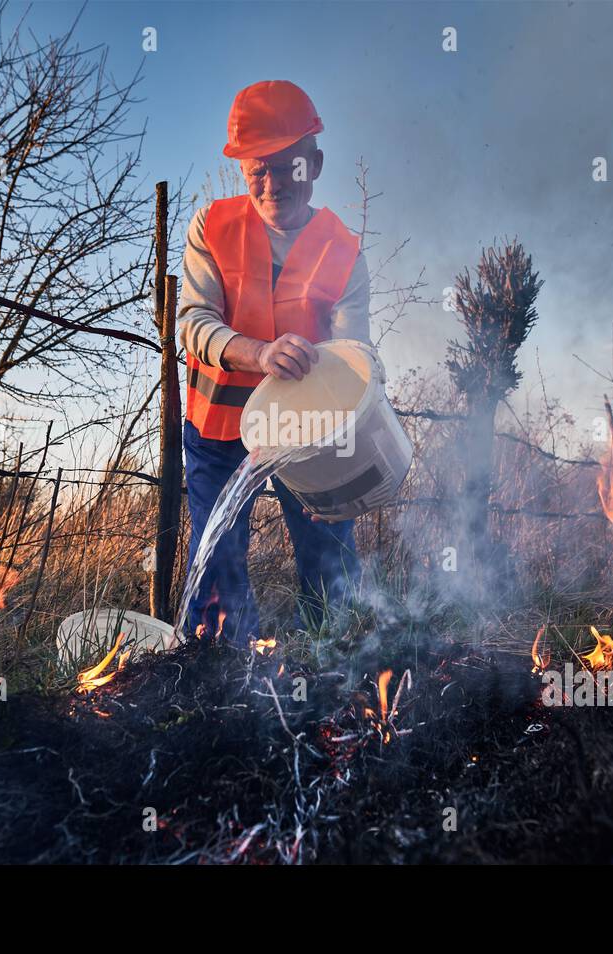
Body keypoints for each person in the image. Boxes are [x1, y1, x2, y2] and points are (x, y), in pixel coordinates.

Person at [178, 80, 372, 646]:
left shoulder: (344, 251)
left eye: (288, 167)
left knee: (330, 555)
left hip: (305, 431)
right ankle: (226, 677)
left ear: (314, 162)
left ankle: (335, 668)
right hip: (217, 429)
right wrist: (260, 353)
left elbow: (350, 358)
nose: (273, 184)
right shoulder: (210, 227)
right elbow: (191, 322)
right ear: (242, 168)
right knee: (217, 563)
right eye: (258, 170)